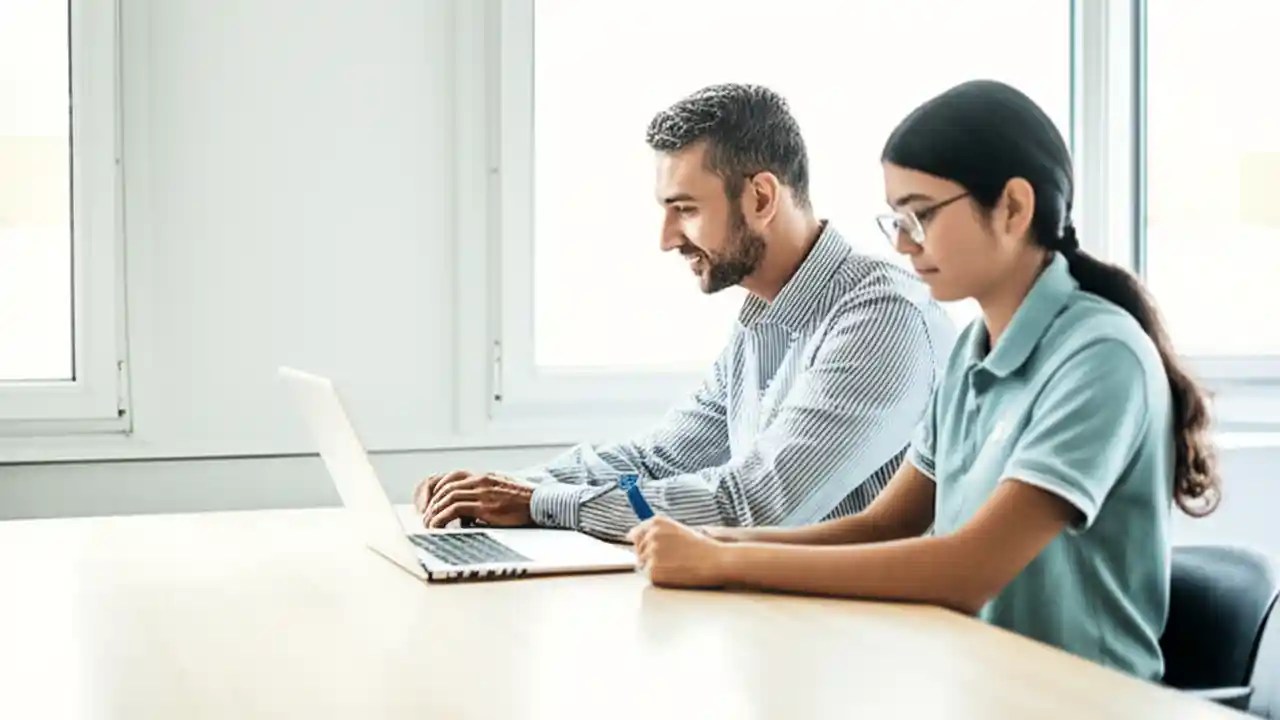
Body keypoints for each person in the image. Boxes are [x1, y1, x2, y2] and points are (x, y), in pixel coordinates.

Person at [627, 79, 1221, 682]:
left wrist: (727, 565)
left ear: (1013, 209)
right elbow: (882, 526)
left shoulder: (1101, 356)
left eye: (921, 214)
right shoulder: (972, 351)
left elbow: (967, 570)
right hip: (973, 684)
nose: (905, 243)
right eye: (895, 219)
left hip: (1080, 701)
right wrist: (721, 544)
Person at [415, 84, 954, 542]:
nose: (667, 239)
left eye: (686, 210)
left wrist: (540, 504)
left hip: (868, 640)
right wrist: (501, 488)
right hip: (784, 616)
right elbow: (658, 460)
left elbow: (759, 505)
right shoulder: (763, 321)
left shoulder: (883, 315)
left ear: (762, 198)